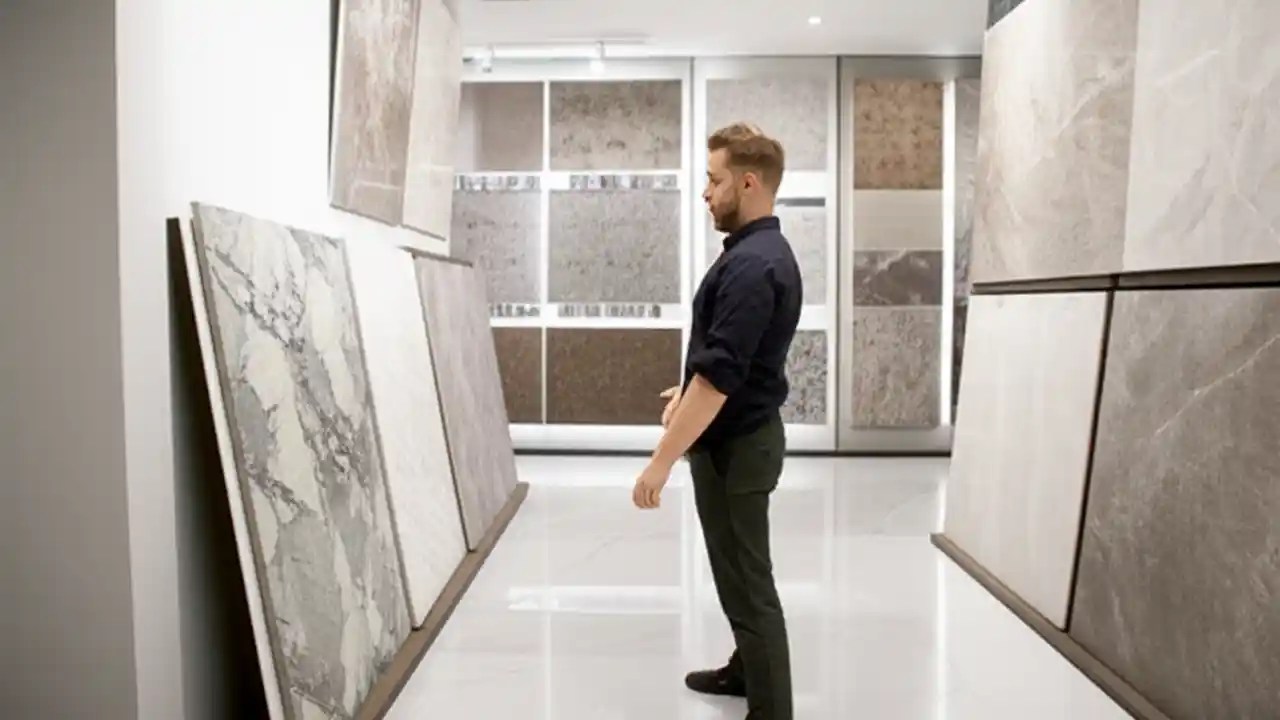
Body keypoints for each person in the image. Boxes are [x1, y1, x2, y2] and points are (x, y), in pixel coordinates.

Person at [631, 122, 801, 720]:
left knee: (750, 581)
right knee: (733, 571)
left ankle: (771, 708)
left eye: (714, 179)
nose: (705, 192)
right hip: (733, 436)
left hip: (739, 449)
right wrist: (689, 391)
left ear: (748, 183)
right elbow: (732, 364)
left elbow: (720, 379)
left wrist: (661, 460)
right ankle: (744, 670)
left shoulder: (755, 266)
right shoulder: (754, 255)